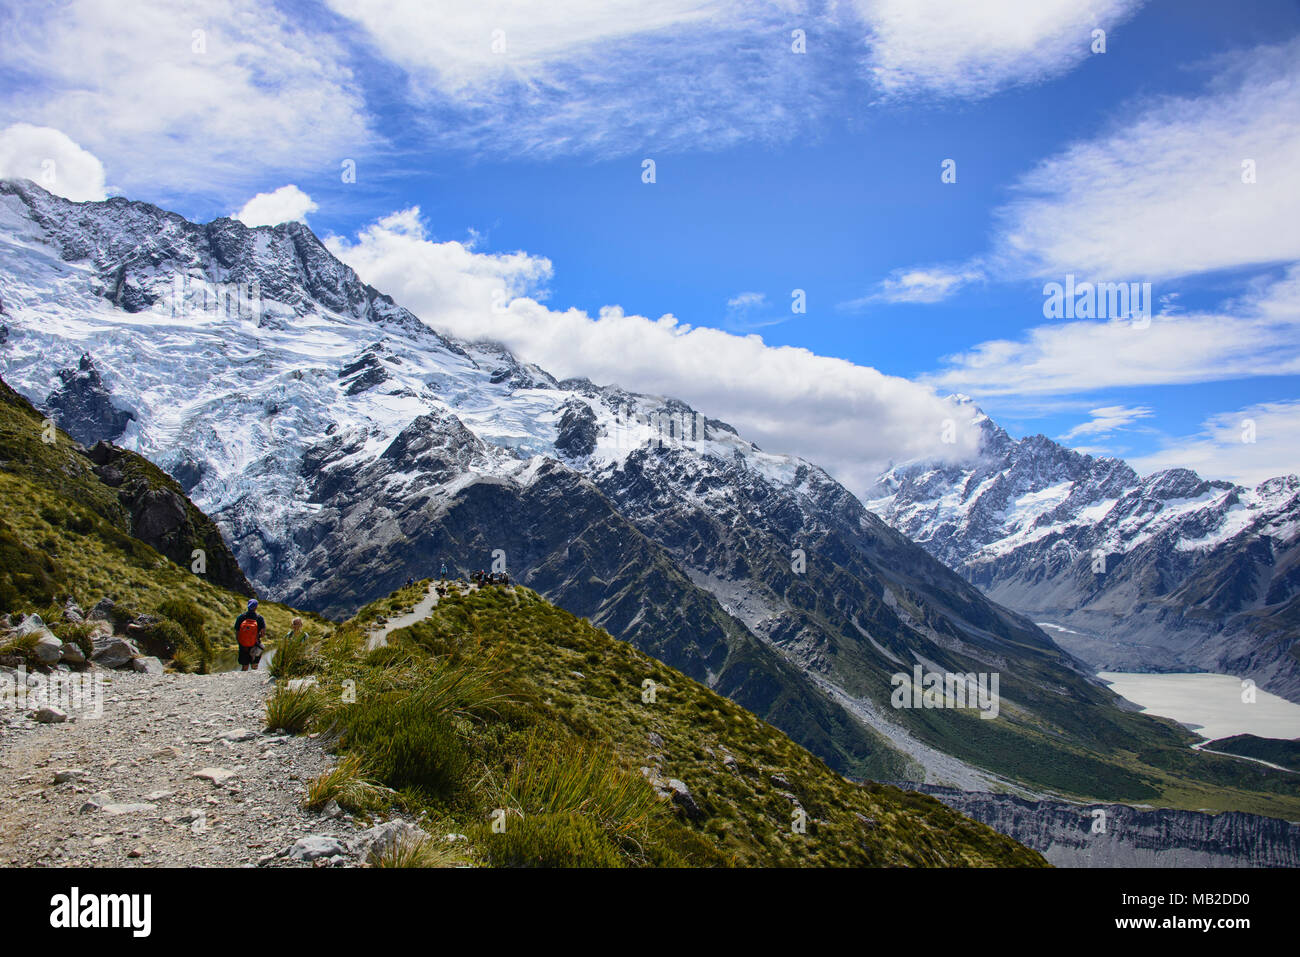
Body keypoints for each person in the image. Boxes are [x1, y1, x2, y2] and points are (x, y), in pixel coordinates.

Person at [234, 598, 266, 672]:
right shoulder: (259, 618)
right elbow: (263, 633)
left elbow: (237, 632)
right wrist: (257, 638)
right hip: (255, 645)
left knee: (244, 666)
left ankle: (241, 682)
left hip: (243, 645)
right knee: (254, 666)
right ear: (256, 607)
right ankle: (253, 682)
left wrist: (241, 642)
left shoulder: (241, 617)